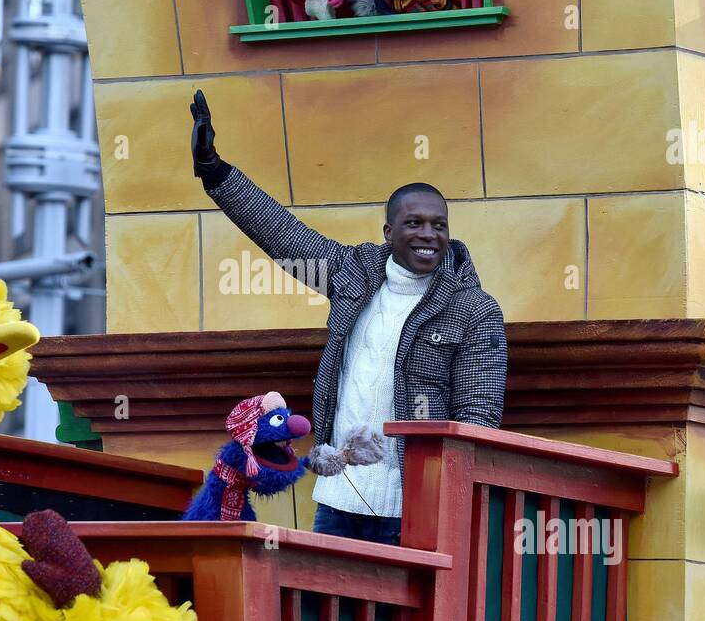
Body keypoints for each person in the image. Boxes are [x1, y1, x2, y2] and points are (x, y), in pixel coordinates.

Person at [188, 90, 506, 545]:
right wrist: (214, 170)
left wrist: (449, 501)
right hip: (339, 497)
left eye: (439, 225)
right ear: (389, 231)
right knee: (331, 612)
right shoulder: (353, 273)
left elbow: (478, 416)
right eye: (414, 223)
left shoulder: (475, 310)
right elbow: (282, 234)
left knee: (404, 617)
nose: (428, 235)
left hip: (415, 506)